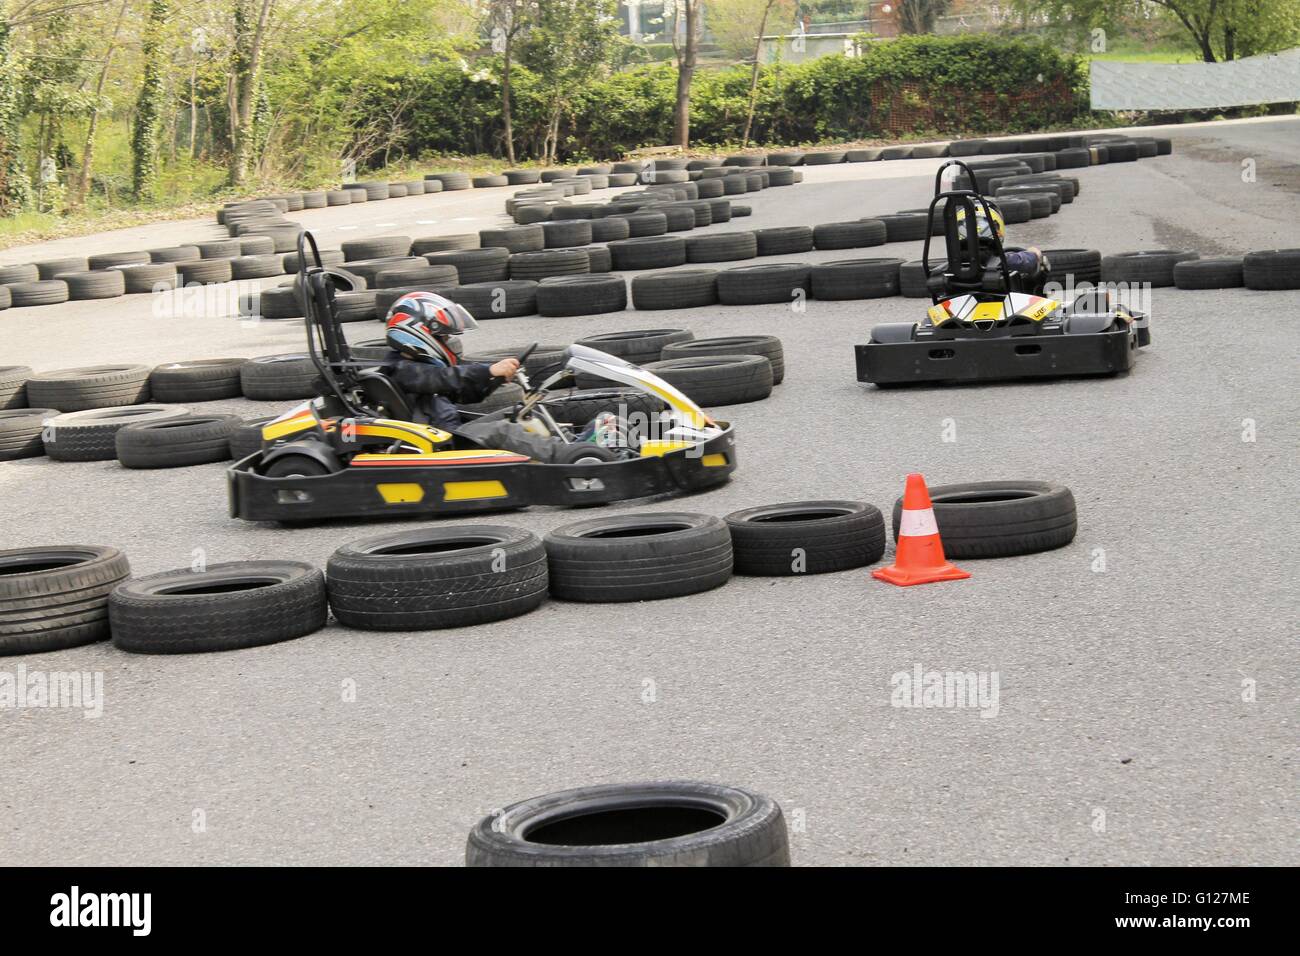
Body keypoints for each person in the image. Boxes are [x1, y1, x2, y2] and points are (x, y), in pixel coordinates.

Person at [377, 291, 622, 462]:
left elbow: (464, 391)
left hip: (454, 433)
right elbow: (446, 378)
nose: (448, 343)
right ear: (417, 334)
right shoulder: (400, 370)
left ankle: (579, 444)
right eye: (443, 337)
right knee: (502, 431)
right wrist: (488, 371)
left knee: (524, 414)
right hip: (442, 444)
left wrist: (494, 377)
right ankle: (574, 458)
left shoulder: (419, 365)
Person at [955, 200, 1050, 282]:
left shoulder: (950, 267)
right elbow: (1030, 259)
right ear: (996, 230)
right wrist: (1034, 253)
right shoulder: (1004, 261)